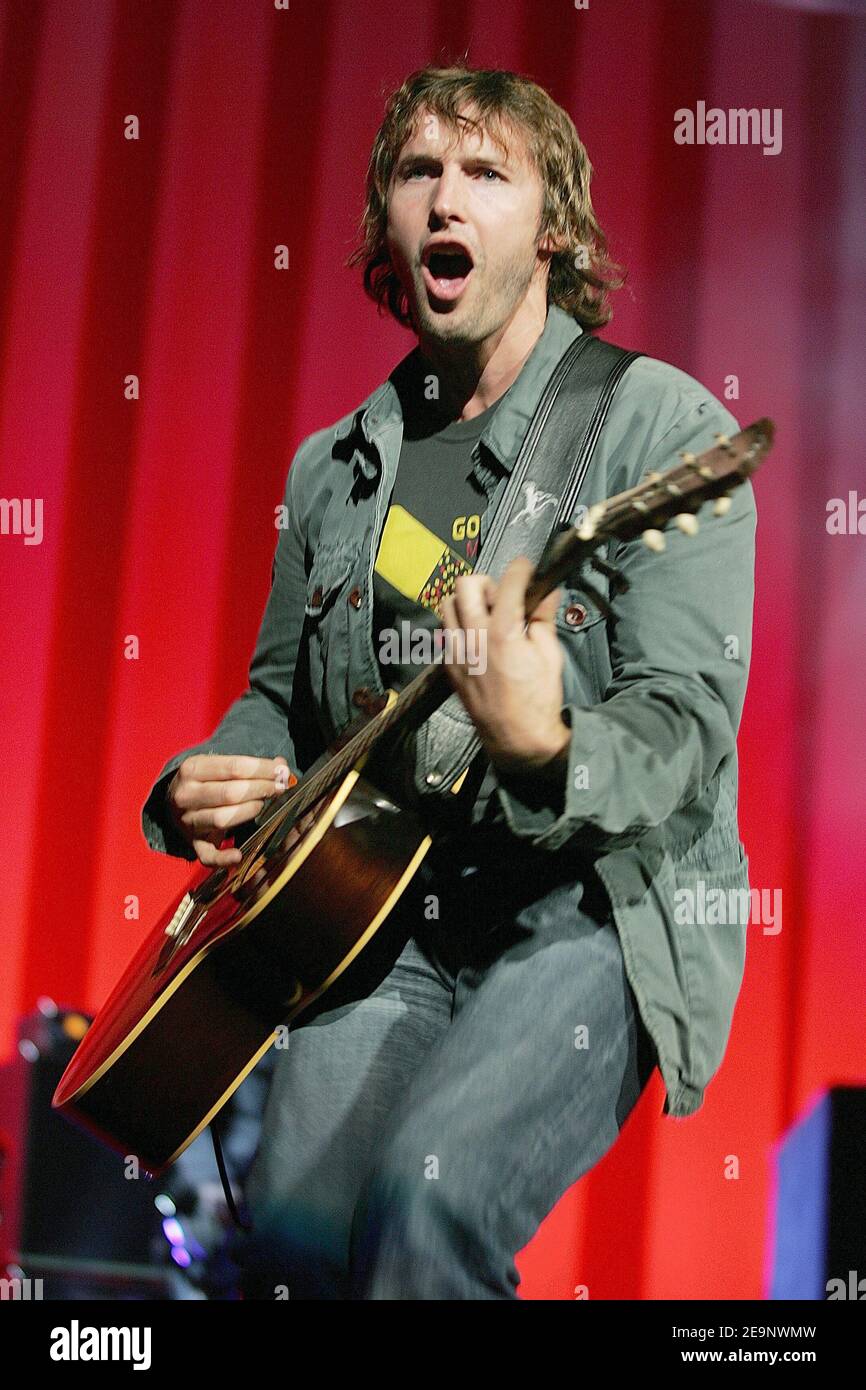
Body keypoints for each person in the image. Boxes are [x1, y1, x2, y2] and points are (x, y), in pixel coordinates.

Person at [142, 64, 757, 1300]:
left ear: (552, 230)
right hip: (377, 907)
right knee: (301, 1245)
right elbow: (282, 695)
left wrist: (547, 746)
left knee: (427, 1198)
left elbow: (684, 719)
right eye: (419, 173)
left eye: (485, 173)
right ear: (387, 224)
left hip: (589, 907)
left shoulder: (653, 426)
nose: (444, 200)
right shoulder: (335, 465)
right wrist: (194, 784)